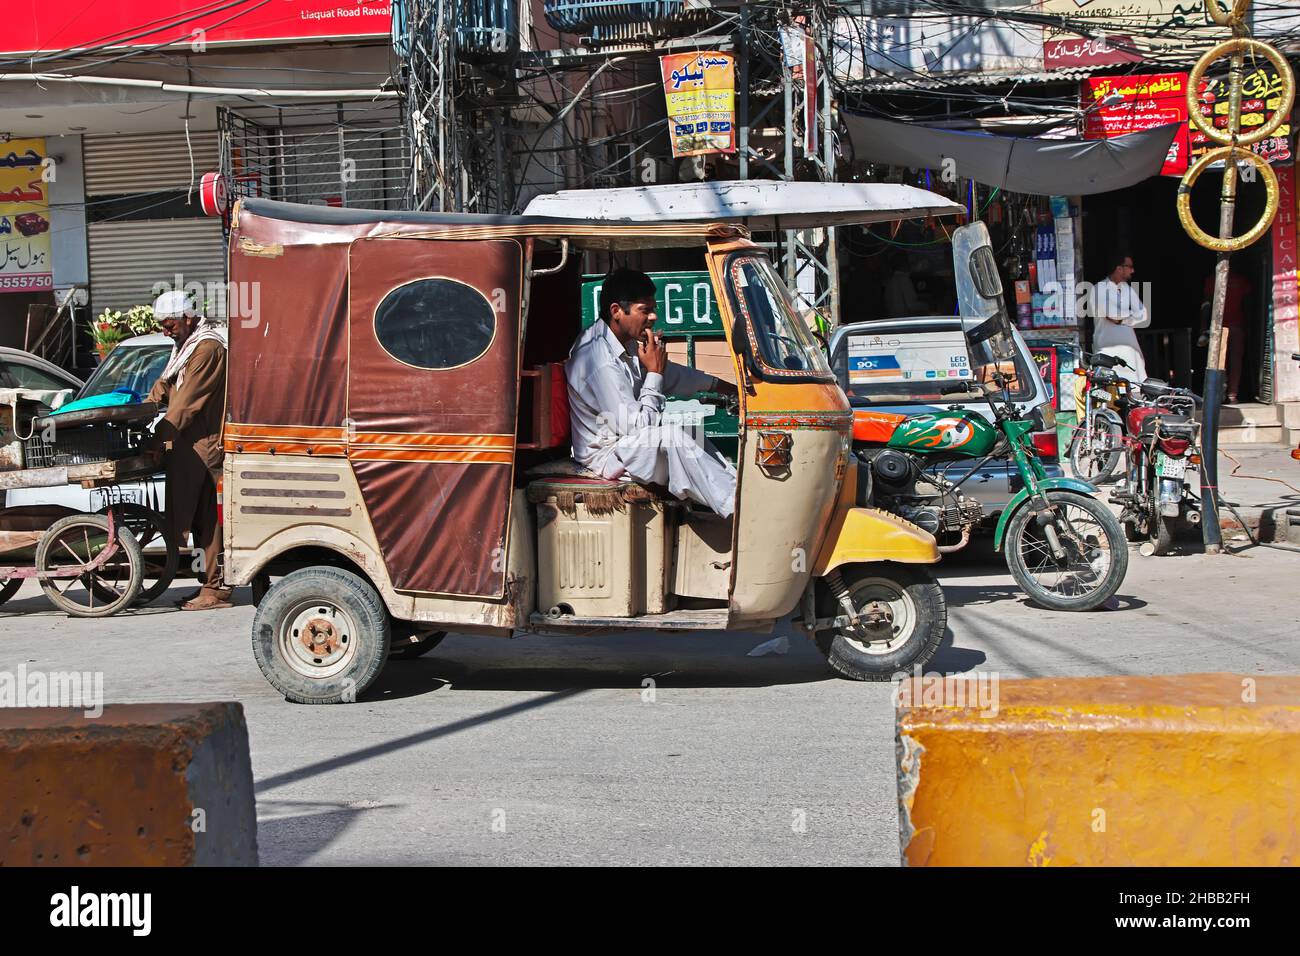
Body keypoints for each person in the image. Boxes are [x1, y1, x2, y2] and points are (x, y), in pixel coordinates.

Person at [565, 268, 739, 518]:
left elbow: (675, 376)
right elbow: (639, 428)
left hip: (627, 444)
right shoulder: (597, 360)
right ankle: (737, 511)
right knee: (672, 438)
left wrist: (724, 387)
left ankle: (735, 494)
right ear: (616, 311)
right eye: (644, 310)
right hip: (607, 456)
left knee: (692, 434)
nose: (654, 317)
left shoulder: (624, 343)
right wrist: (654, 372)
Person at [145, 290, 232, 610]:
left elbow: (185, 403)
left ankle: (216, 587)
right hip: (187, 442)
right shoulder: (184, 347)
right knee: (197, 518)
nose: (165, 331)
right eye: (162, 326)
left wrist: (159, 437)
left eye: (169, 325)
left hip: (204, 445)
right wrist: (139, 407)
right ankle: (207, 584)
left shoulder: (207, 348)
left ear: (187, 318)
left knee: (209, 518)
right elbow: (167, 385)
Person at [1092, 253, 1150, 383]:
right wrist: (1129, 315)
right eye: (1130, 266)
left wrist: (1123, 320)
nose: (1132, 270)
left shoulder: (1127, 289)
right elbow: (1111, 313)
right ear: (1119, 268)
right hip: (1109, 349)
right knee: (1111, 389)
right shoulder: (1099, 289)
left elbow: (1143, 313)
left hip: (1130, 351)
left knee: (1135, 388)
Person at [1197, 268, 1251, 403]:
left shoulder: (1212, 279)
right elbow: (1247, 305)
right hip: (1236, 325)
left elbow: (1206, 304)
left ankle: (1220, 394)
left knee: (1219, 361)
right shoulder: (1241, 280)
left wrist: (1203, 327)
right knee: (1235, 361)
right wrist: (1248, 325)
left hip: (1219, 325)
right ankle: (1232, 395)